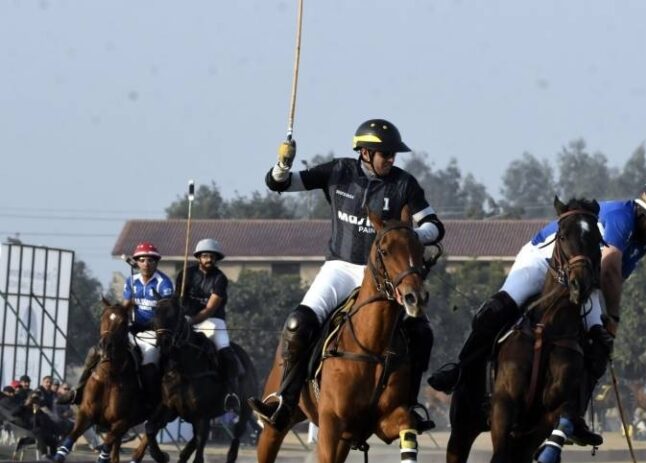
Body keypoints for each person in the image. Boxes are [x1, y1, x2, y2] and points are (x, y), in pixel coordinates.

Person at [429, 183, 646, 447]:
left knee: (599, 346)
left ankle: (574, 418)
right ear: (642, 212)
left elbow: (609, 280)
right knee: (495, 312)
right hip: (543, 260)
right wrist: (614, 319)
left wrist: (603, 326)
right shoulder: (622, 218)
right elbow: (610, 271)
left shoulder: (644, 239)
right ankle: (461, 370)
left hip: (582, 277)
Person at [250, 118, 445, 430]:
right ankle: (284, 401)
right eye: (386, 154)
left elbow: (435, 226)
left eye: (394, 154)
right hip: (340, 269)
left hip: (383, 278)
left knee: (421, 333)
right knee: (298, 323)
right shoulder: (338, 171)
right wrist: (282, 165)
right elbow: (279, 185)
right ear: (365, 153)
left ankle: (410, 403)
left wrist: (407, 236)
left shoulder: (404, 184)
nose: (392, 159)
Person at [59, 242, 174, 408]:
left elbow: (166, 311)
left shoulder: (164, 283)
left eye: (150, 260)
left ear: (156, 262)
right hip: (132, 329)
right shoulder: (131, 281)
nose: (146, 264)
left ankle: (150, 403)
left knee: (148, 365)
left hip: (153, 333)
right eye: (142, 260)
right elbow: (126, 306)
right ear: (137, 262)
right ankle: (78, 391)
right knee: (96, 351)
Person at [177, 238, 240, 412]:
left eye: (212, 256)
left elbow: (210, 308)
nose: (208, 259)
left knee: (224, 348)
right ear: (198, 257)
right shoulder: (186, 275)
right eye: (205, 256)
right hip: (186, 319)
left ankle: (231, 392)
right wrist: (182, 318)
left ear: (216, 258)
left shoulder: (220, 279)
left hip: (212, 320)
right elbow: (177, 300)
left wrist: (192, 321)